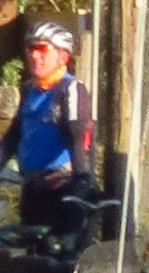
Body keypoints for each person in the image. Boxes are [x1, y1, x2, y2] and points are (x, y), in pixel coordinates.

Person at [14, 20, 93, 229]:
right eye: (31, 48)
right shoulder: (30, 89)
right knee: (27, 245)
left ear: (63, 57)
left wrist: (81, 185)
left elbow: (77, 140)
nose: (34, 55)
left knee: (57, 246)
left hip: (61, 188)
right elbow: (13, 135)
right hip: (32, 188)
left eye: (42, 49)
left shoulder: (71, 89)